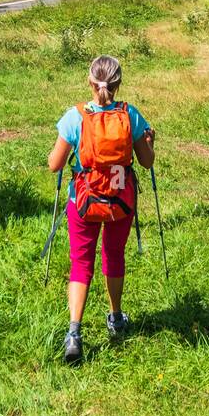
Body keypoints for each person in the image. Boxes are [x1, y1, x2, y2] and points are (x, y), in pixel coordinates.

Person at [47, 55, 154, 364]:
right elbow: (146, 162)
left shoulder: (74, 117)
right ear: (118, 84)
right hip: (120, 202)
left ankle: (74, 333)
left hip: (83, 201)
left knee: (81, 263)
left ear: (89, 82)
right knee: (114, 255)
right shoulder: (130, 115)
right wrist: (149, 141)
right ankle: (116, 317)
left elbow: (54, 164)